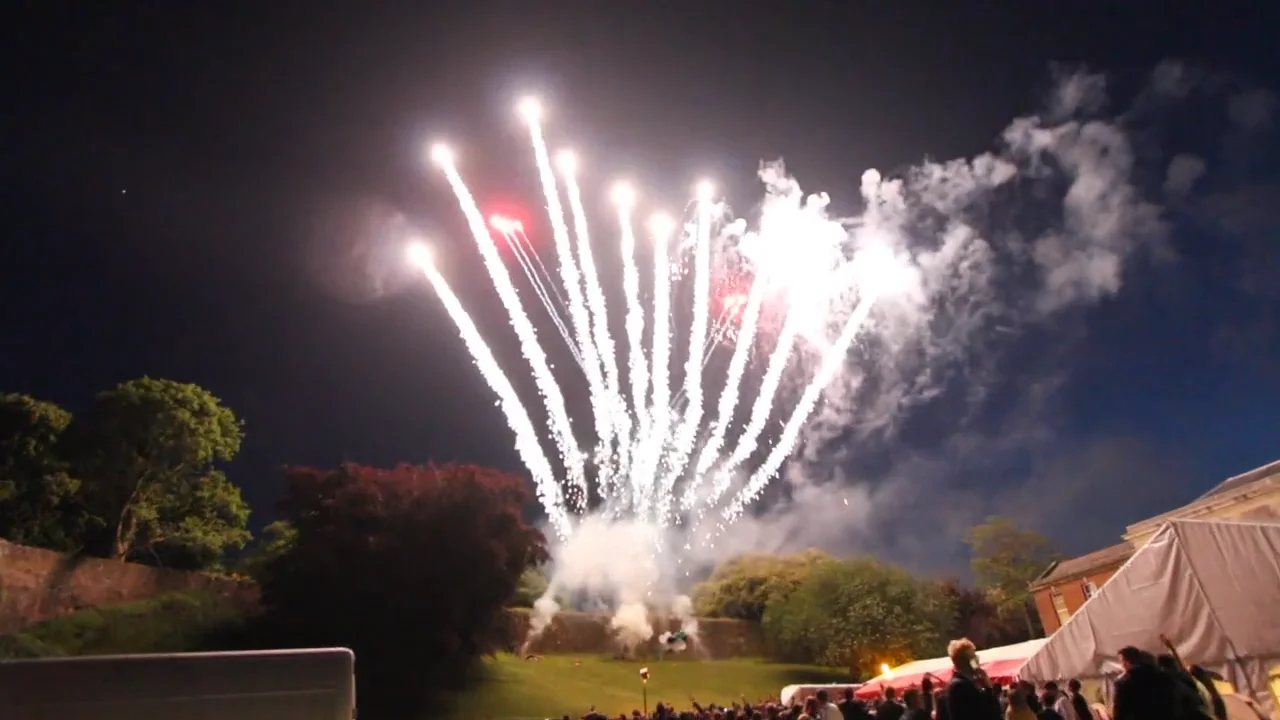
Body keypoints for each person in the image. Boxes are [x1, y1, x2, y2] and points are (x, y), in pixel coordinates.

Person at [944, 638, 1002, 720]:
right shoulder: (959, 686)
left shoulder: (968, 683)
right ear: (965, 661)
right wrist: (988, 688)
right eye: (973, 656)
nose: (977, 660)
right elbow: (988, 712)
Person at [1113, 647, 1177, 720]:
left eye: (1121, 661)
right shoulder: (1163, 678)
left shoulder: (1125, 683)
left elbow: (1120, 713)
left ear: (1126, 663)